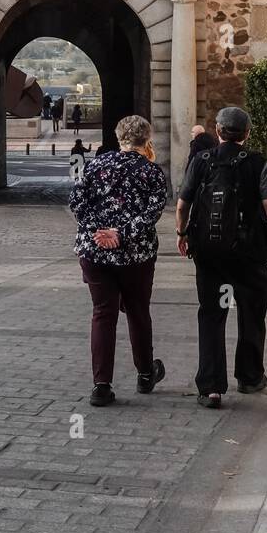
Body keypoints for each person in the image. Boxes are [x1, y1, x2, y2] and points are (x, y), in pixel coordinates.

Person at [176, 106, 267, 409]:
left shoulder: (201, 160)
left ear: (218, 131)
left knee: (212, 314)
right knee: (252, 314)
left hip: (211, 252)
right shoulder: (257, 163)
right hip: (251, 253)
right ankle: (250, 376)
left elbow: (182, 203)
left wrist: (182, 233)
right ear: (247, 134)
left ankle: (211, 387)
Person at [70, 114, 167, 407]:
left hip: (95, 252)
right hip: (136, 254)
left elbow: (77, 203)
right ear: (146, 138)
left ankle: (101, 385)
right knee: (138, 311)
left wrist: (100, 233)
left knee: (103, 313)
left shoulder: (94, 166)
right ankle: (146, 373)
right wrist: (121, 234)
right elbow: (152, 214)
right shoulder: (152, 172)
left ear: (118, 136)